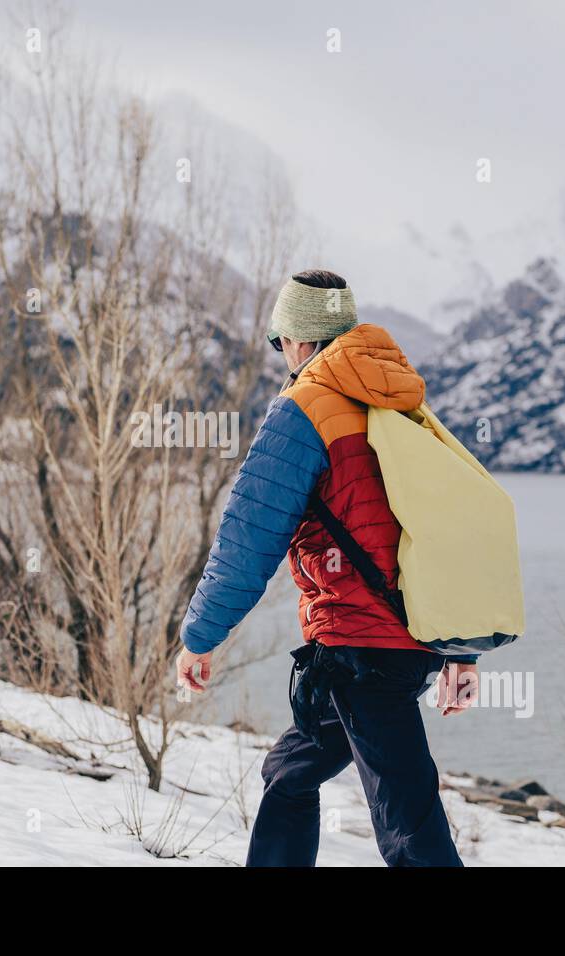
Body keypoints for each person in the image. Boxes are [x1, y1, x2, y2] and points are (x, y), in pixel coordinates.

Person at [174, 268, 477, 867]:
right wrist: (461, 648)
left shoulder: (302, 409)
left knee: (409, 827)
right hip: (400, 639)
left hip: (361, 646)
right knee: (290, 772)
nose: (282, 356)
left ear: (297, 339)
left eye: (281, 342)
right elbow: (448, 529)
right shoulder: (401, 399)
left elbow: (247, 539)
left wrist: (199, 638)